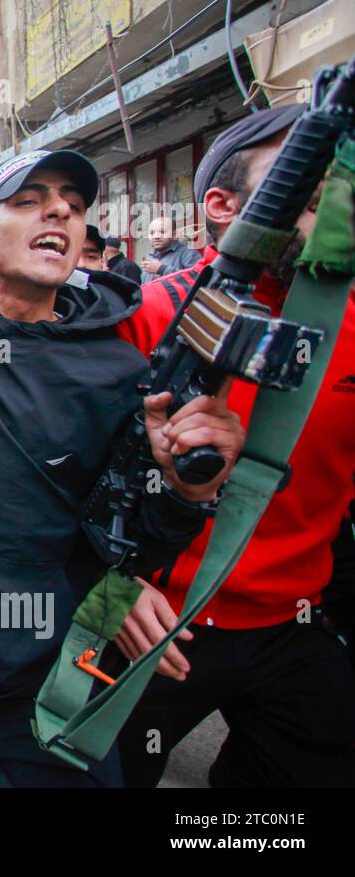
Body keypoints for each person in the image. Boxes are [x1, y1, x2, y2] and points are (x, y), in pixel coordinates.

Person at [0, 148, 243, 787]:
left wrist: (188, 485)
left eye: (74, 206)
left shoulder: (119, 373)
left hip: (59, 671)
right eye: (28, 201)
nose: (58, 209)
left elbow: (137, 542)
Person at [115, 103, 355, 787]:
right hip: (148, 617)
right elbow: (64, 489)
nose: (329, 198)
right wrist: (108, 595)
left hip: (293, 624)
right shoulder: (148, 316)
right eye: (302, 186)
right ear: (223, 204)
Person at [140, 216, 200, 282]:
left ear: (174, 235)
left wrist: (162, 269)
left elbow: (196, 279)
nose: (156, 236)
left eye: (162, 232)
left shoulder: (188, 253)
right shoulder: (150, 256)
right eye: (152, 233)